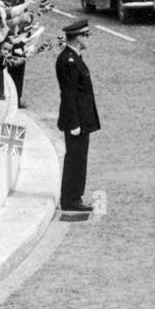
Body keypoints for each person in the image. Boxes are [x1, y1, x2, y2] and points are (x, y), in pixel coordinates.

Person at [55, 19, 99, 213]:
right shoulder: (69, 60)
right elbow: (69, 93)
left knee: (80, 158)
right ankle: (71, 198)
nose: (88, 39)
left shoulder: (75, 57)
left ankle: (75, 196)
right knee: (75, 158)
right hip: (76, 120)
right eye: (86, 36)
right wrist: (74, 122)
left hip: (82, 118)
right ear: (79, 38)